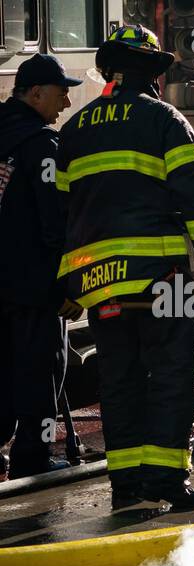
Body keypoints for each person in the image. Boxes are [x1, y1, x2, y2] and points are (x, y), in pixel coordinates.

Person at [57, 26, 194, 511]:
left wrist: (69, 282)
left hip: (100, 284)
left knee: (120, 380)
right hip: (162, 278)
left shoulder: (75, 129)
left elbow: (61, 214)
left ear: (110, 72)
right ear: (153, 73)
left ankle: (126, 488)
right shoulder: (164, 119)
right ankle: (166, 483)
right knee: (172, 375)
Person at [0, 54, 82, 480]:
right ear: (35, 93)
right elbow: (56, 226)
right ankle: (36, 454)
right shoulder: (42, 147)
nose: (65, 104)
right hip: (34, 288)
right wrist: (71, 286)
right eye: (61, 93)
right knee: (42, 374)